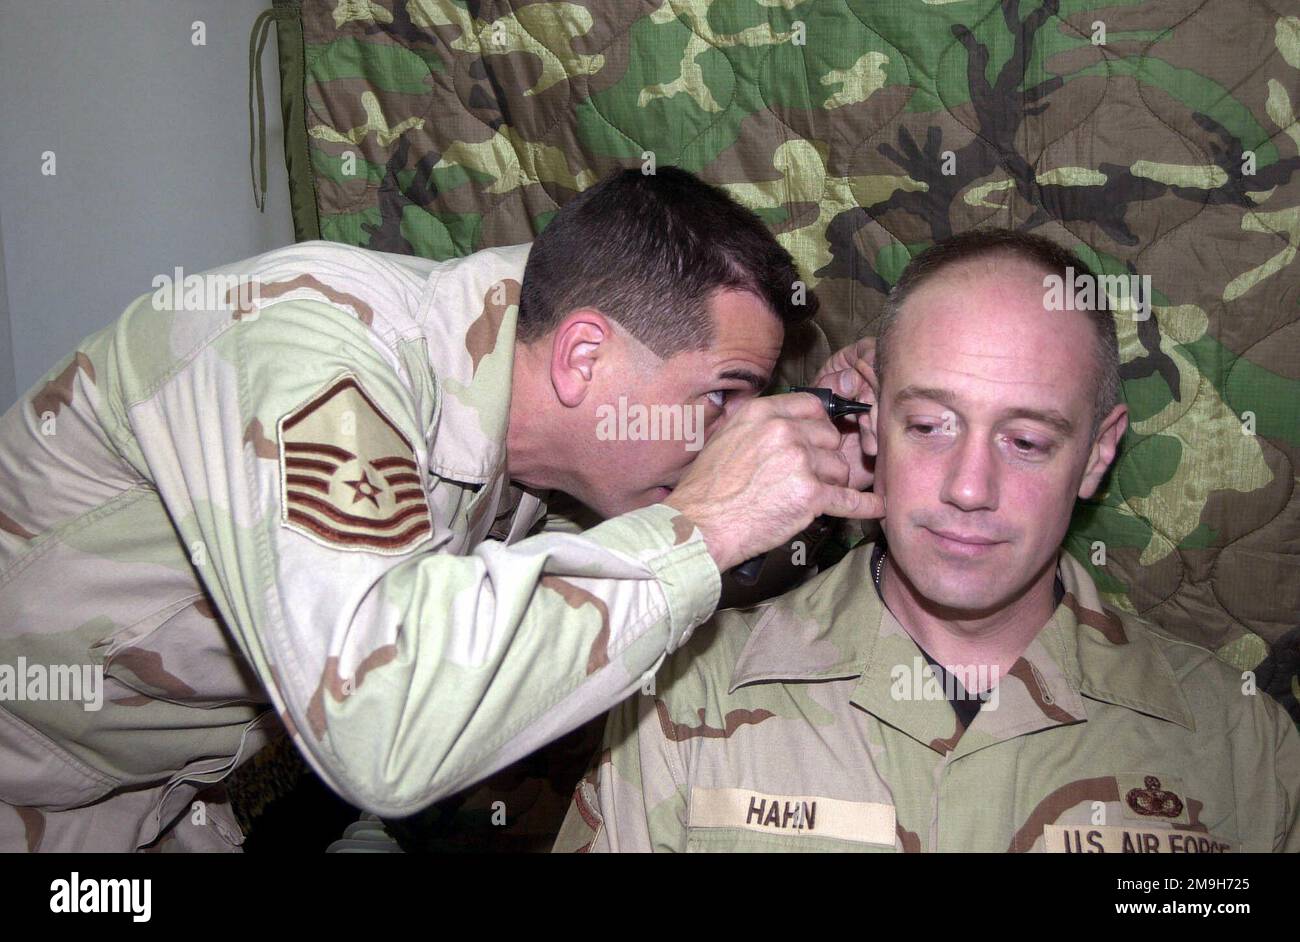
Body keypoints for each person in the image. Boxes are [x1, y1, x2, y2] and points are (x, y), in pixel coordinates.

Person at [0, 167, 884, 851]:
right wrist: (710, 523)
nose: (728, 439)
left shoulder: (552, 439)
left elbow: (645, 584)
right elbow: (382, 734)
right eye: (725, 396)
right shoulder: (320, 350)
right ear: (584, 357)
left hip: (151, 806)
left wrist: (822, 445)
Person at [554, 228, 1300, 853]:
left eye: (1029, 440)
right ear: (871, 422)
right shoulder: (686, 696)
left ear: (1097, 455)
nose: (969, 488)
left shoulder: (1235, 743)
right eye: (930, 426)